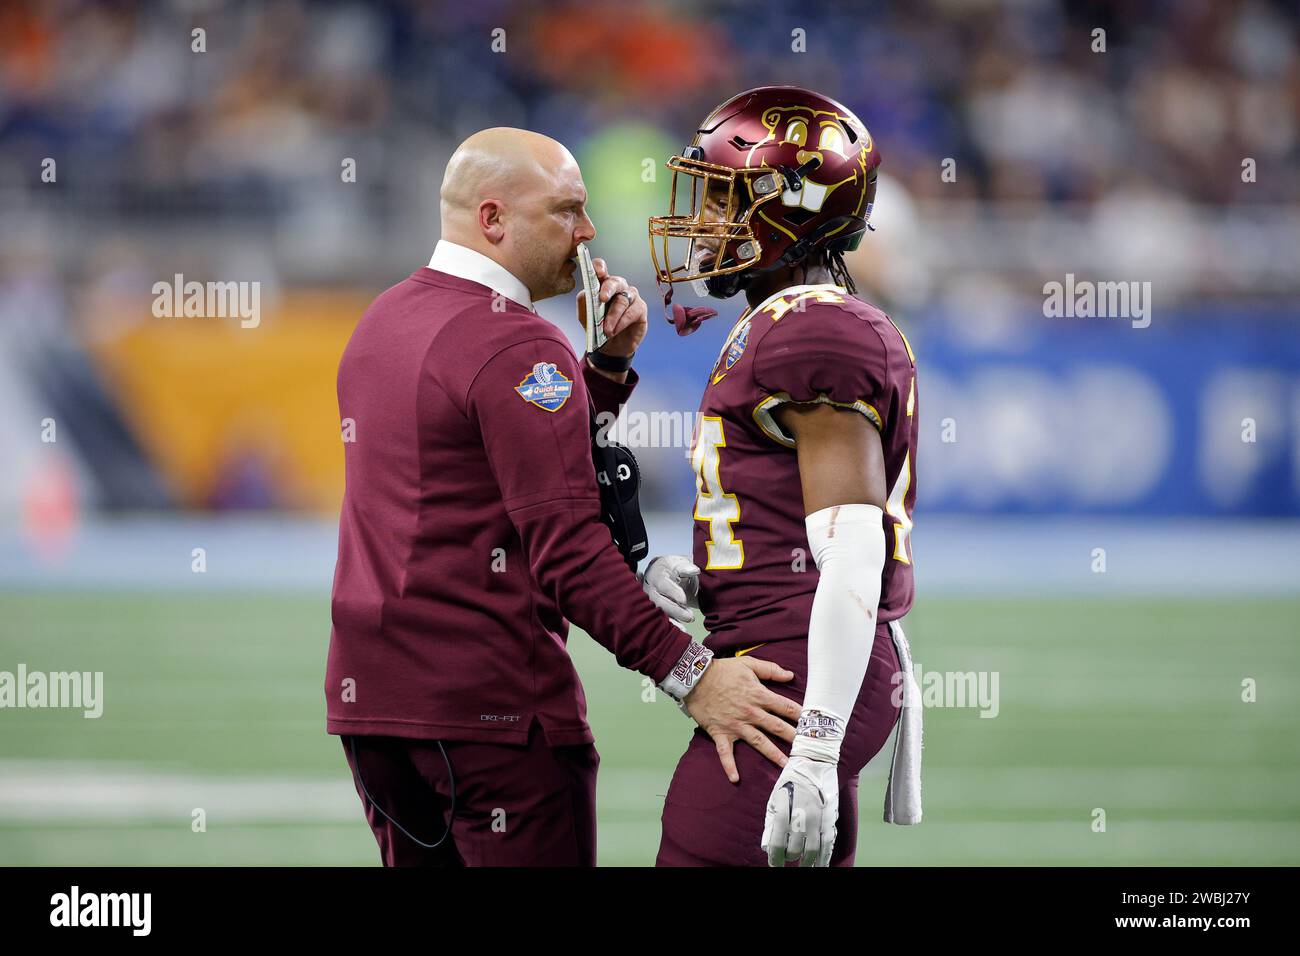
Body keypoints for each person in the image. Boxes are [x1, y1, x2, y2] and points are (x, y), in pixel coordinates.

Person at [325, 127, 802, 866]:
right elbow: (570, 552)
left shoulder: (383, 319)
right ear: (494, 221)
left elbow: (493, 472)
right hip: (492, 713)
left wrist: (604, 372)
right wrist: (691, 673)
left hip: (375, 710)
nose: (588, 232)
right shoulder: (517, 343)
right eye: (568, 210)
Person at [644, 87, 923, 867]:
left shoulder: (816, 329)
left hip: (801, 671)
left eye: (724, 199)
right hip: (792, 655)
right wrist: (714, 580)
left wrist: (815, 747)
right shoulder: (786, 319)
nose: (702, 222)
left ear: (788, 208)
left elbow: (853, 554)